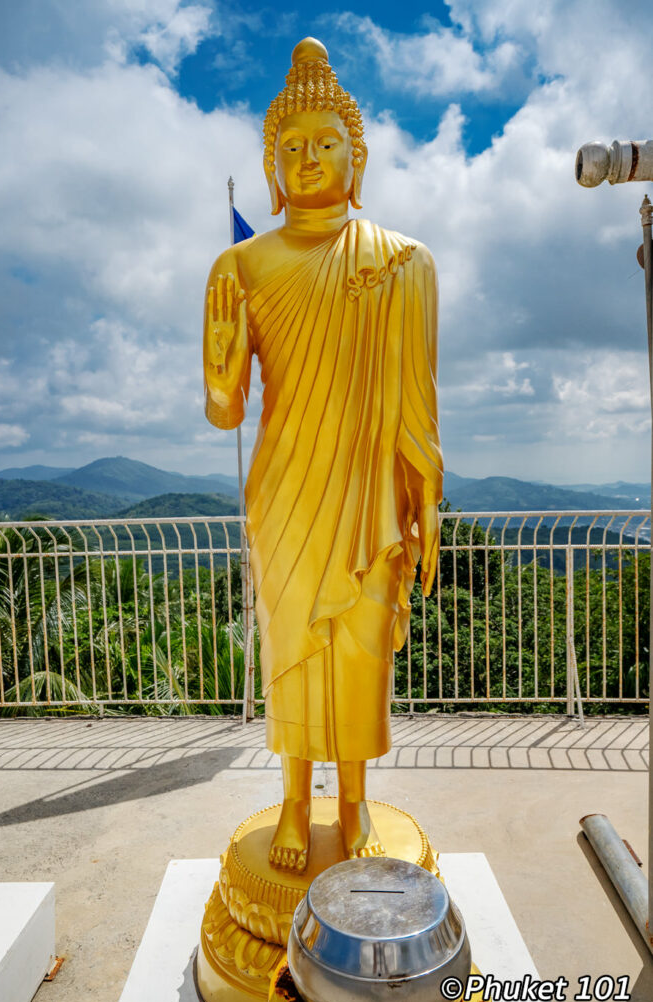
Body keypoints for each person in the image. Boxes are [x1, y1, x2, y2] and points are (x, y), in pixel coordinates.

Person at [203, 37, 443, 872]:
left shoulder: (403, 263)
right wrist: (221, 370)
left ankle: (355, 800)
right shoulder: (241, 265)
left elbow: (419, 398)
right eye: (291, 146)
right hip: (286, 488)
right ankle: (297, 805)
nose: (308, 158)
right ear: (272, 166)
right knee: (293, 648)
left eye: (326, 143)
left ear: (357, 157)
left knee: (360, 646)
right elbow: (225, 412)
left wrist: (426, 500)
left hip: (370, 491)